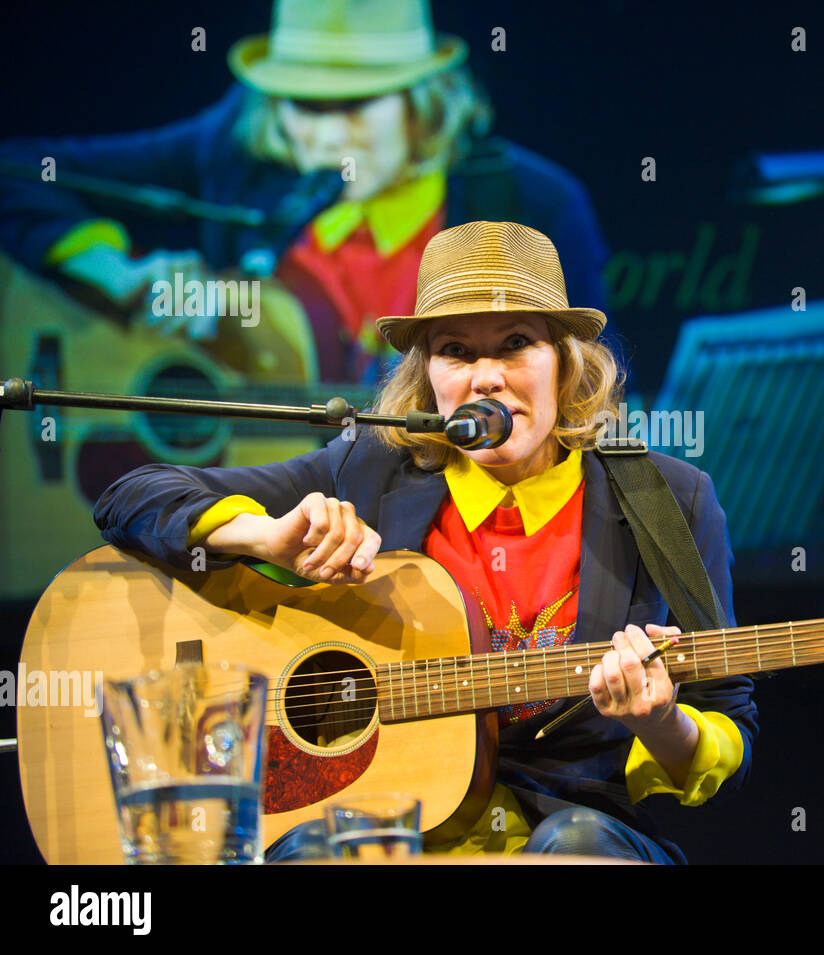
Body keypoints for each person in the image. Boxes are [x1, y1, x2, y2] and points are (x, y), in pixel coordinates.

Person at [92, 220, 755, 862]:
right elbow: (132, 496)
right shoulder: (368, 470)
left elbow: (729, 721)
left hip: (574, 830)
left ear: (565, 362)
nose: (485, 377)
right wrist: (266, 536)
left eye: (516, 342)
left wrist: (661, 722)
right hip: (377, 825)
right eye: (456, 351)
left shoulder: (668, 499)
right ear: (428, 375)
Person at [0, 0, 618, 387]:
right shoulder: (231, 149)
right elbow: (22, 169)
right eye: (304, 105)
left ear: (423, 103)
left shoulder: (533, 200)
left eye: (354, 105)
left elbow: (598, 388)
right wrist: (116, 276)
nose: (324, 137)